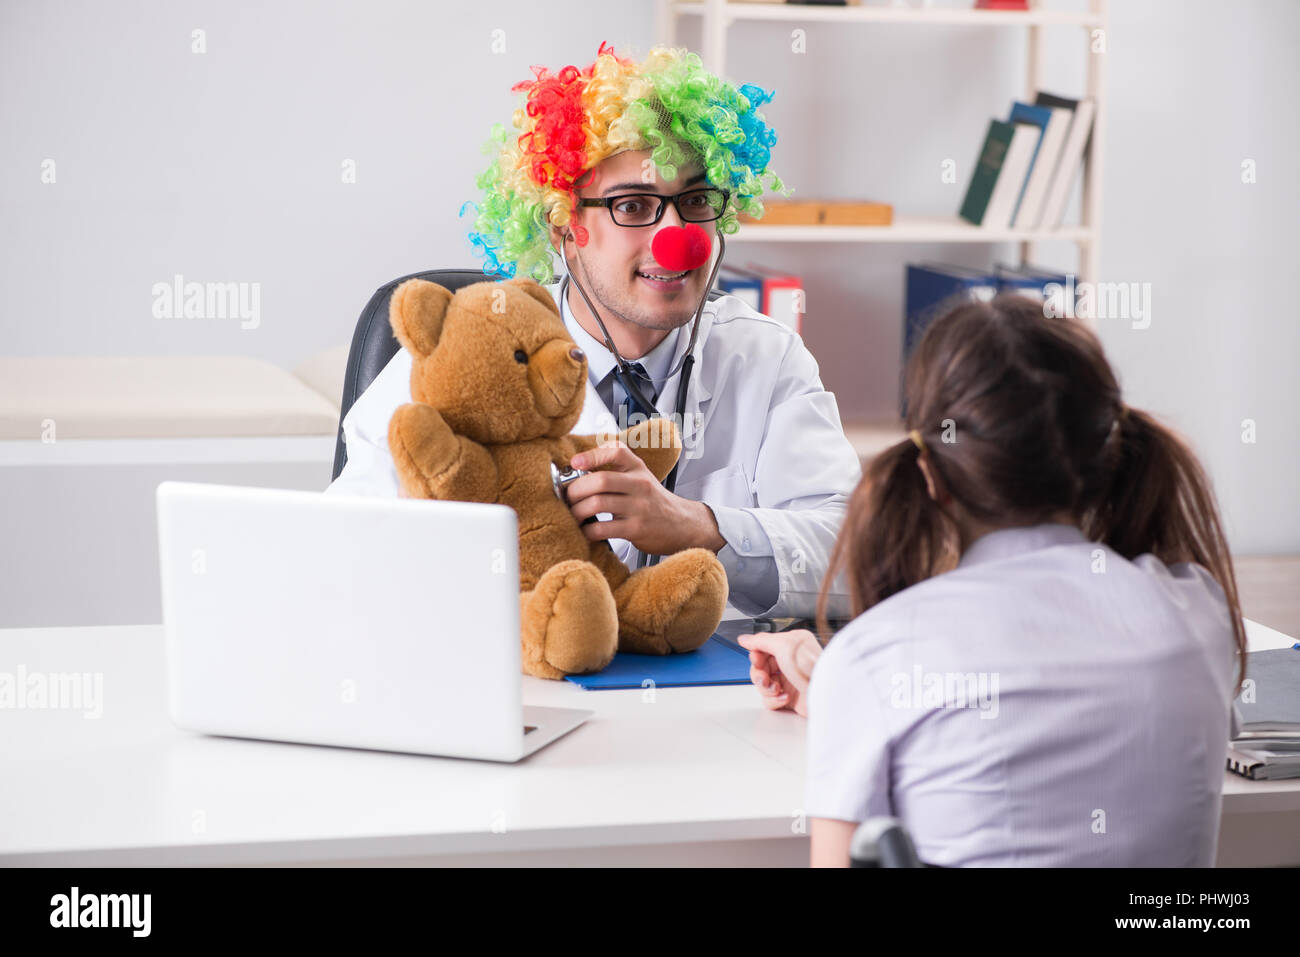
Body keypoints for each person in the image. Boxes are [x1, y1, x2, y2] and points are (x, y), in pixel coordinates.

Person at [328, 43, 861, 619]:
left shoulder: (766, 357)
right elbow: (341, 546)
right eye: (633, 206)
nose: (678, 237)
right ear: (563, 225)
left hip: (715, 697)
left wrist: (697, 526)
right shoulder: (460, 351)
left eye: (697, 199)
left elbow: (858, 559)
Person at [740, 295, 1247, 867]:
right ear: (1109, 454)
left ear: (929, 472)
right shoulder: (1198, 609)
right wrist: (845, 694)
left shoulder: (877, 656)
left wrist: (851, 690)